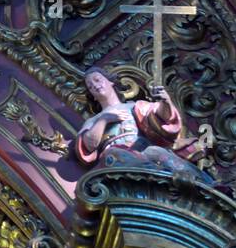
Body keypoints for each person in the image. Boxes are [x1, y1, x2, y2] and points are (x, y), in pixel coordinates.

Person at [75, 67, 212, 182]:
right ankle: (153, 177)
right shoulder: (93, 121)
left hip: (142, 149)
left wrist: (165, 101)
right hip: (116, 157)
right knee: (115, 154)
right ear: (92, 95)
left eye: (97, 80)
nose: (95, 86)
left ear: (110, 82)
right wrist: (104, 119)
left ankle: (202, 183)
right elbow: (89, 144)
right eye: (90, 87)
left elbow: (162, 117)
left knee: (157, 152)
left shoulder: (133, 107)